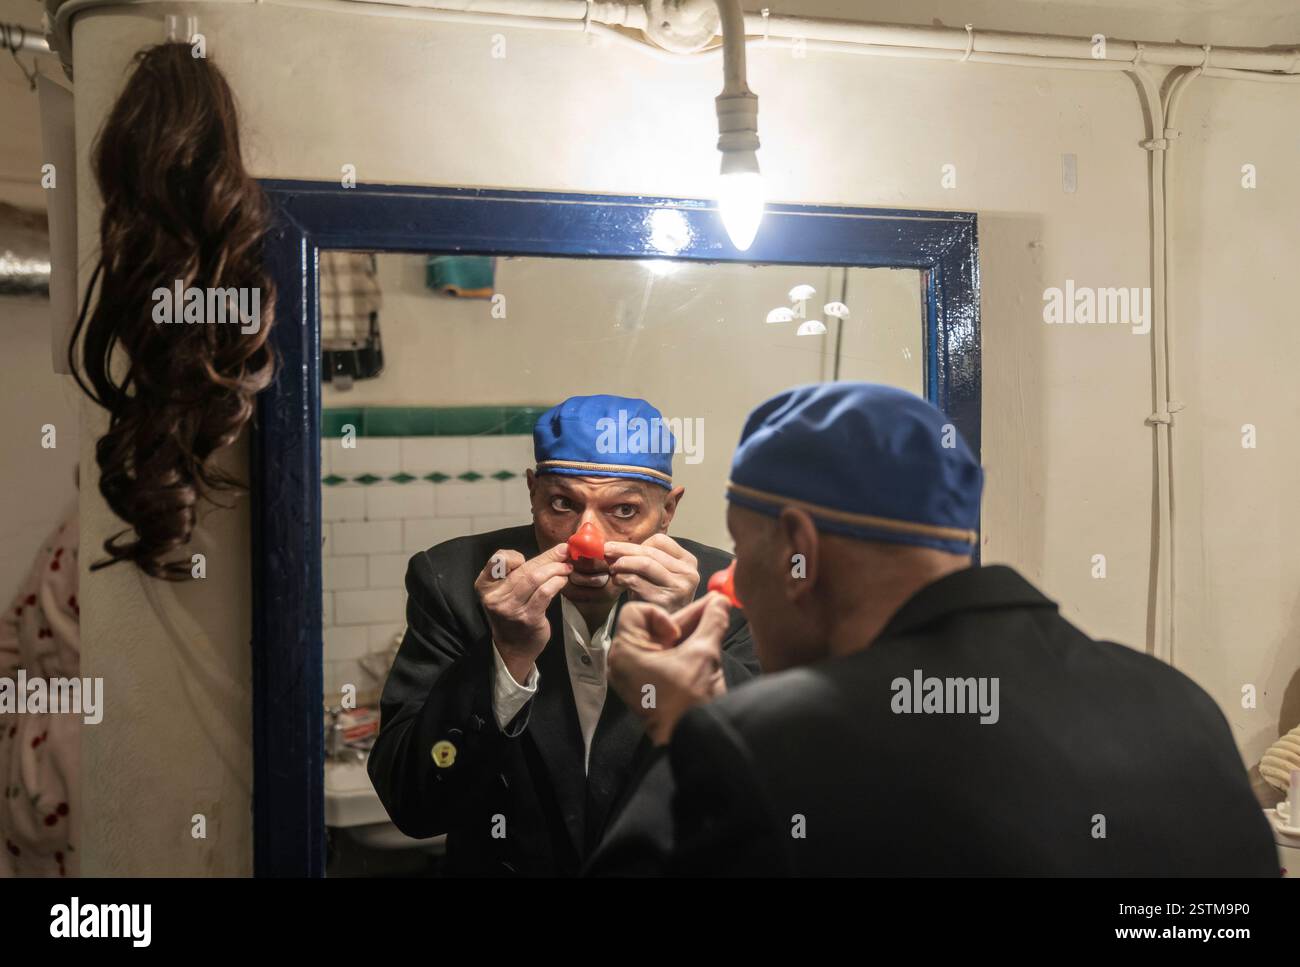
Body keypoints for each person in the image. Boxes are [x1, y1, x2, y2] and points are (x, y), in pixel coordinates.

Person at [589, 382, 1278, 876]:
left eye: (742, 552)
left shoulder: (758, 745)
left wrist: (682, 728)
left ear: (799, 551)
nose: (731, 584)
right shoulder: (1176, 701)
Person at [368, 394, 758, 875]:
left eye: (624, 511)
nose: (586, 541)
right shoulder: (452, 581)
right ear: (532, 492)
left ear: (668, 509)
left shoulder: (725, 591)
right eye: (562, 503)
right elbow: (413, 803)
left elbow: (768, 789)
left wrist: (681, 644)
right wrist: (504, 654)